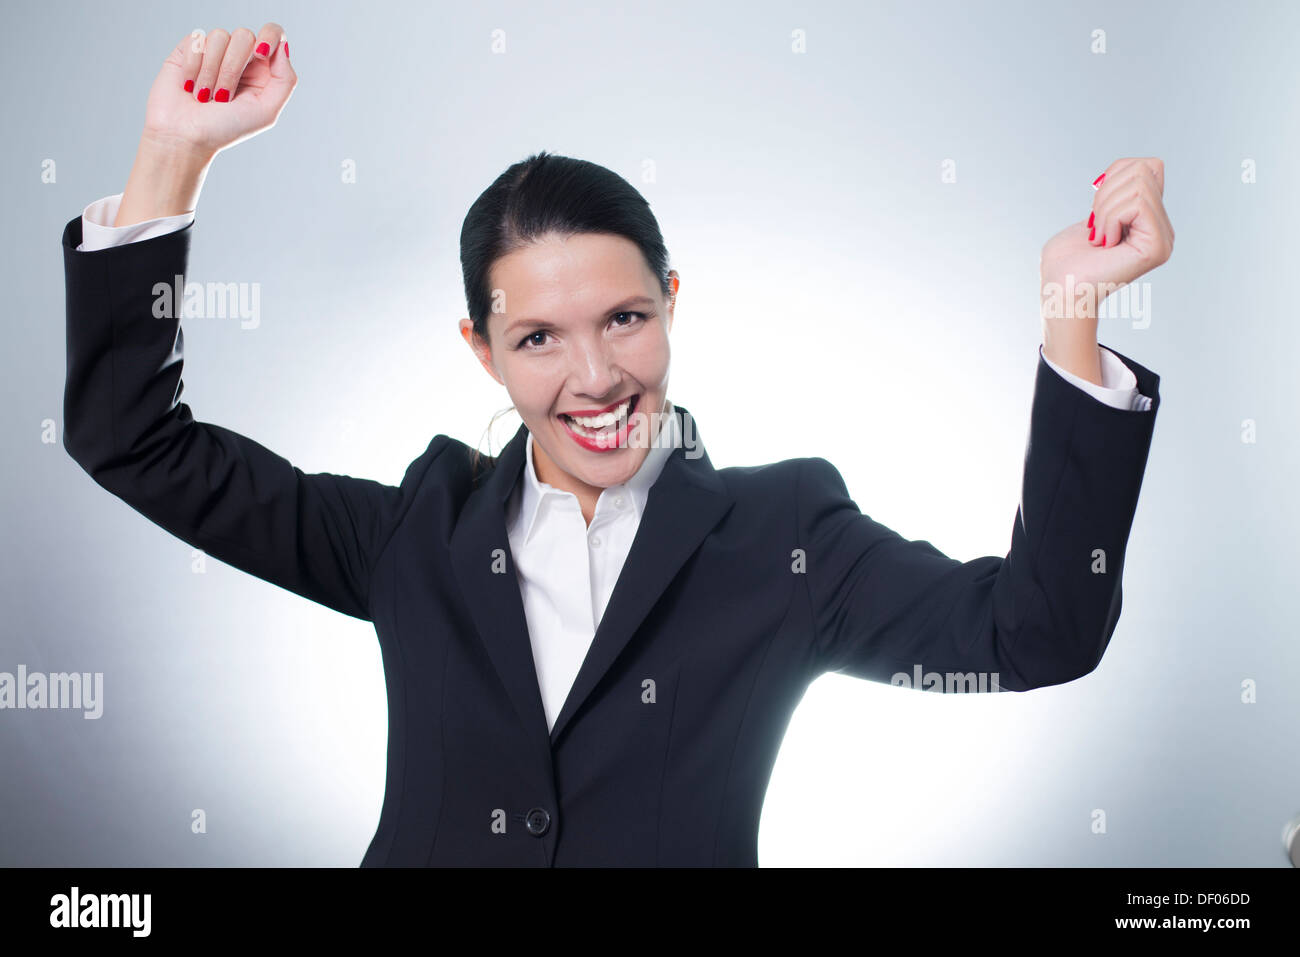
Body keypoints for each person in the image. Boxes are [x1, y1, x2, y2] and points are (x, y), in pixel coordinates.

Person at [61, 24, 1172, 866]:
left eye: (624, 320)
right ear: (481, 349)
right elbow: (133, 438)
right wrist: (174, 154)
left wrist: (1071, 309)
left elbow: (1038, 633)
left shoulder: (787, 540)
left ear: (671, 304)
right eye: (538, 336)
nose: (593, 378)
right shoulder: (414, 528)